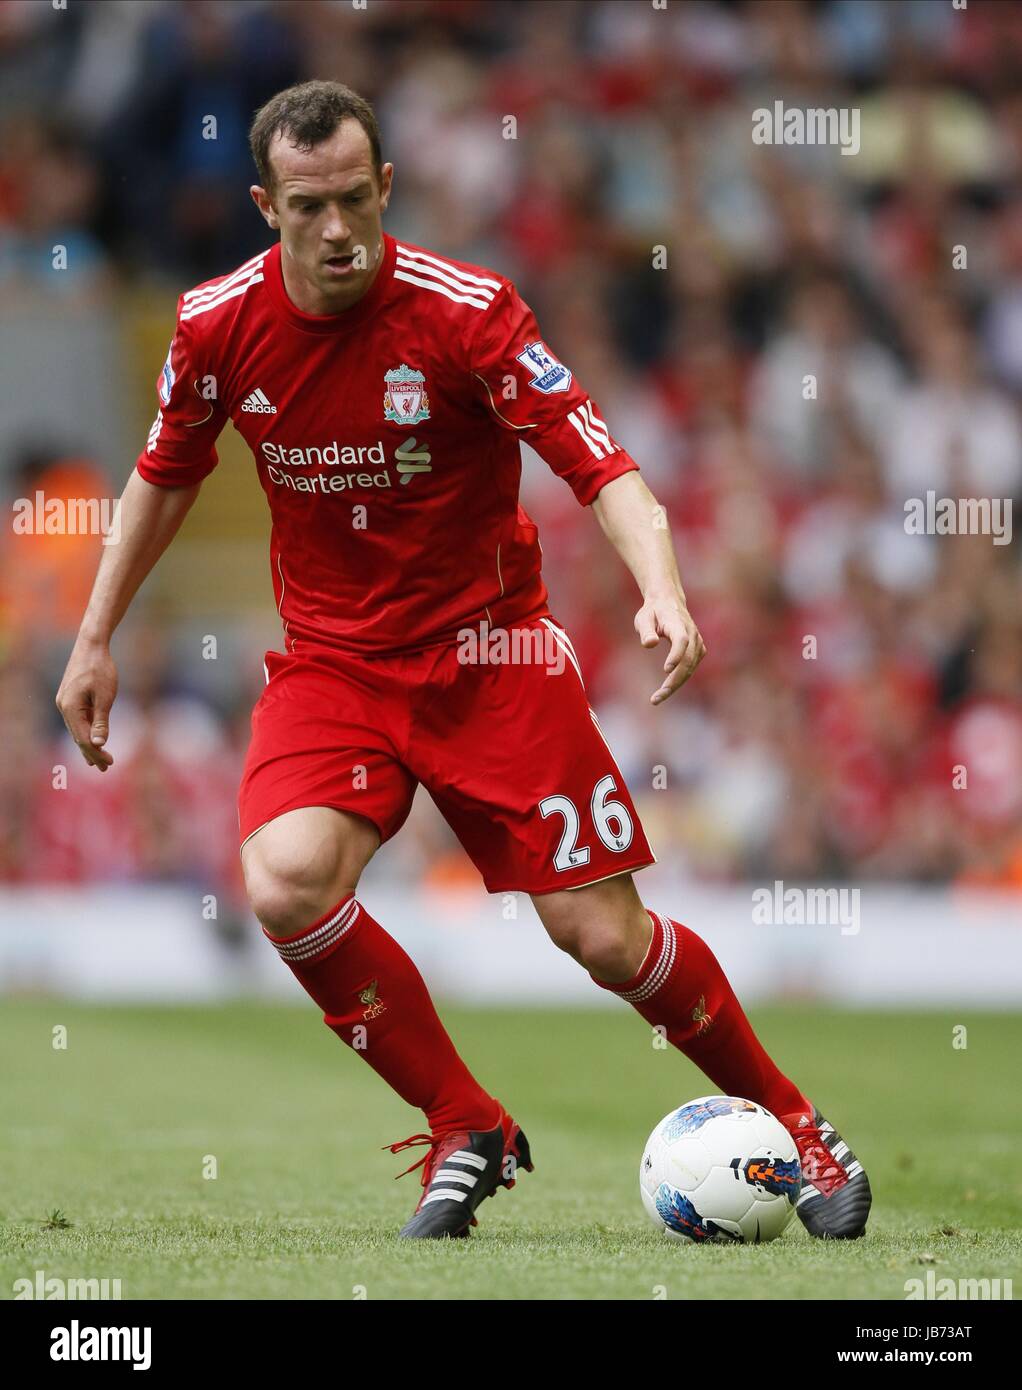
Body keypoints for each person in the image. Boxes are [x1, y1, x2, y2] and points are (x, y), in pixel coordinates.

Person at [56, 81, 870, 1241]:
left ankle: (793, 1119)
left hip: (488, 656)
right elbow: (162, 477)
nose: (336, 229)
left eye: (353, 199)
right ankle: (462, 1121)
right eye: (306, 207)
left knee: (599, 937)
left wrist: (662, 591)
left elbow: (601, 462)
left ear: (385, 186)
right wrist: (94, 636)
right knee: (284, 880)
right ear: (263, 206)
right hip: (335, 665)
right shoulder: (214, 326)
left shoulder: (467, 311)